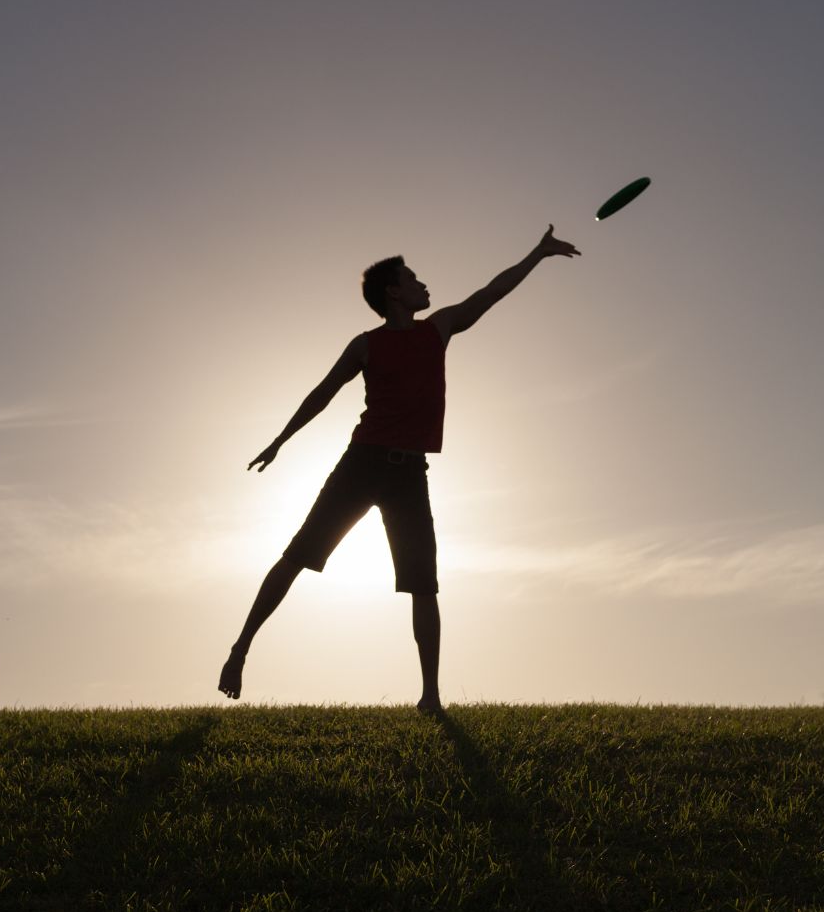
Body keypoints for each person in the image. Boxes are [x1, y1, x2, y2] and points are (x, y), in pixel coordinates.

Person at [218, 224, 580, 713]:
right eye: (414, 278)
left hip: (410, 475)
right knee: (297, 556)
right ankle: (240, 650)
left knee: (423, 584)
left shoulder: (440, 328)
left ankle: (430, 696)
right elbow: (324, 392)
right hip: (361, 465)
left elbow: (492, 292)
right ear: (394, 292)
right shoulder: (365, 345)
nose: (423, 284)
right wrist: (281, 440)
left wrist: (538, 253)